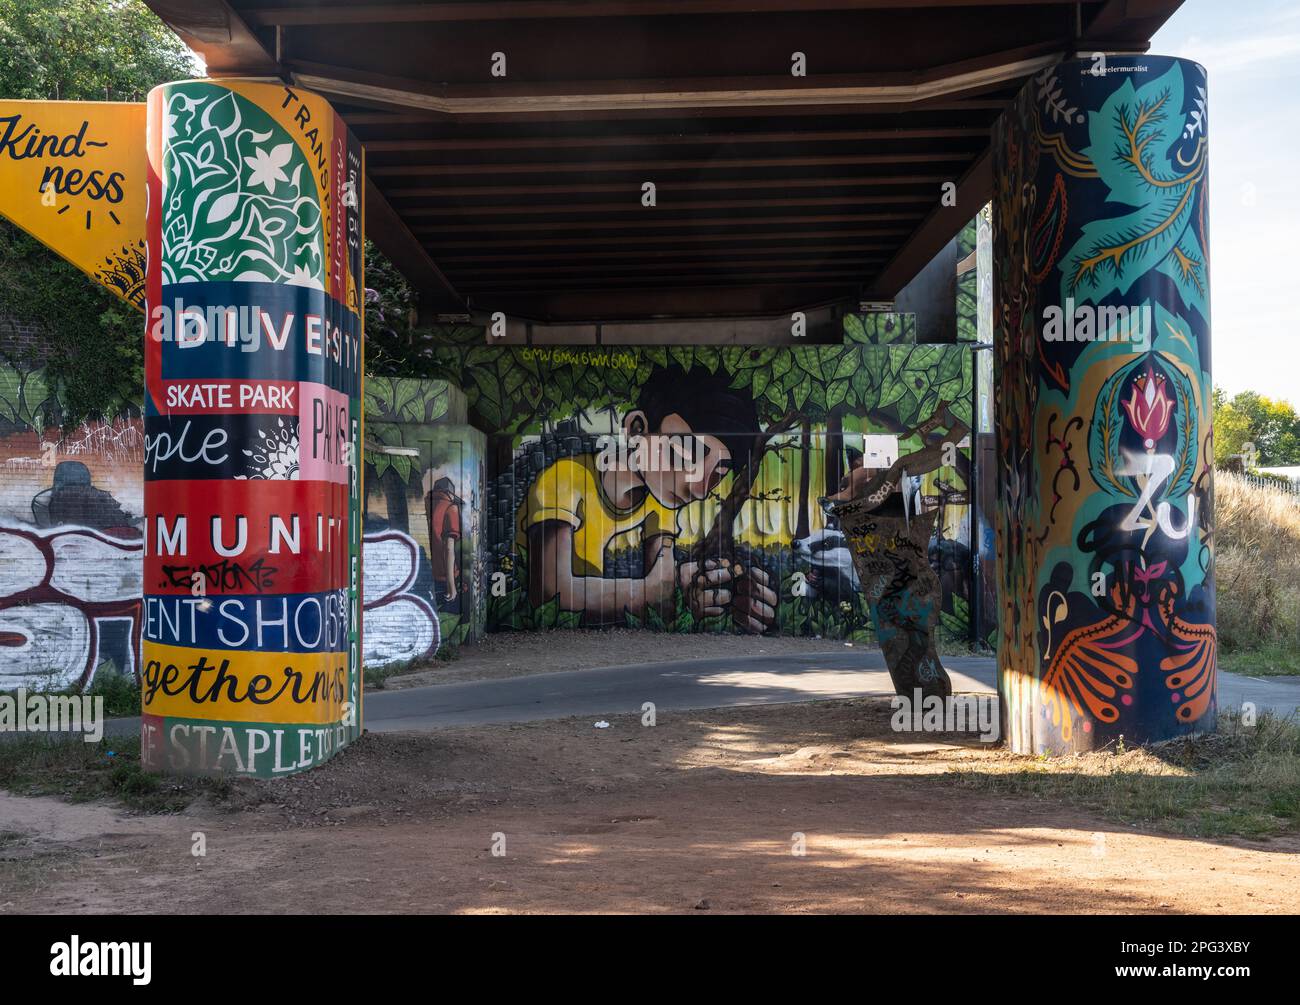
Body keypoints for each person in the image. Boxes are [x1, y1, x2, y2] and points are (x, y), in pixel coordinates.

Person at [522, 364, 777, 633]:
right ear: (637, 428)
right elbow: (549, 594)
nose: (700, 490)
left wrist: (698, 596)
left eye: (717, 475)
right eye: (687, 454)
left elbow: (662, 586)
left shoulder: (659, 499)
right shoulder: (565, 479)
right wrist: (662, 593)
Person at [425, 475, 462, 605]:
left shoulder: (426, 505)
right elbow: (449, 548)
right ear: (449, 493)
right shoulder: (451, 508)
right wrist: (451, 585)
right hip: (444, 577)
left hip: (425, 573)